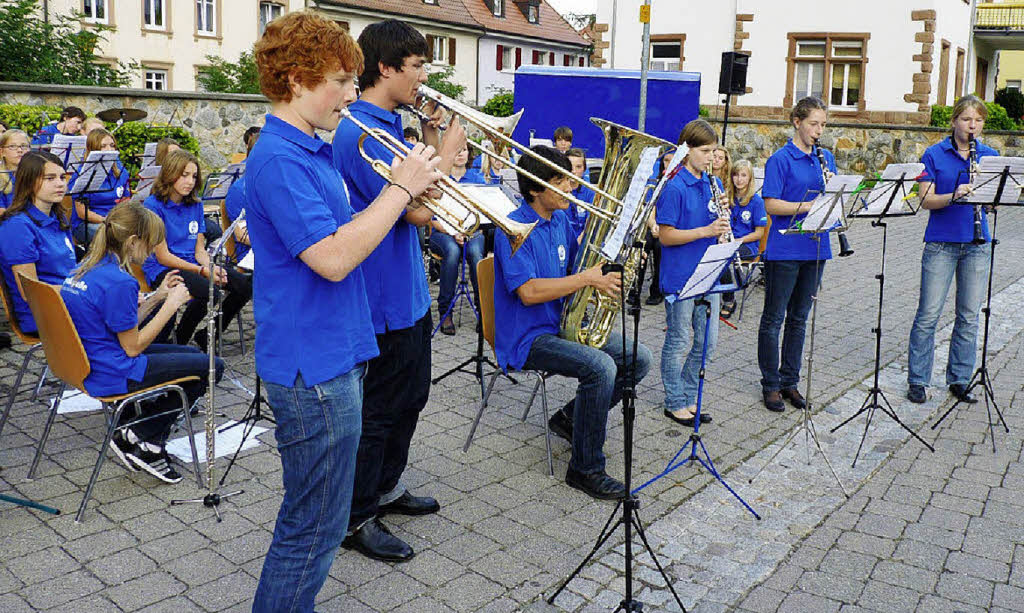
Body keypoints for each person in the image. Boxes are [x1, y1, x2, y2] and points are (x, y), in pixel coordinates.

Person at [245, 12, 442, 611]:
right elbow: (331, 258)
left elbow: (348, 229)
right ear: (296, 80)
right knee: (313, 528)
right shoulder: (281, 159)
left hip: (338, 349)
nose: (352, 94)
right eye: (339, 81)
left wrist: (408, 191)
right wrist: (400, 191)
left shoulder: (310, 147)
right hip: (313, 364)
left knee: (322, 521)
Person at [333, 18, 466, 563]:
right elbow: (416, 211)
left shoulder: (392, 122)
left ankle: (385, 486)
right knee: (381, 410)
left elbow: (424, 194)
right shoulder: (360, 132)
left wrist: (433, 140)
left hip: (408, 291)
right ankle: (355, 515)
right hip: (380, 298)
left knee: (411, 398)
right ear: (385, 68)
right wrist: (448, 150)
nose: (424, 77)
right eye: (416, 66)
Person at [494, 144, 650, 498]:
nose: (571, 186)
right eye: (561, 180)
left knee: (639, 358)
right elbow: (528, 292)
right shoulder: (513, 228)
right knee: (601, 367)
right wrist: (586, 279)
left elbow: (581, 267)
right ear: (535, 188)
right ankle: (585, 468)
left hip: (560, 325)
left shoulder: (560, 219)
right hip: (527, 338)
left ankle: (570, 419)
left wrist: (614, 265)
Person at [61, 202, 224, 482]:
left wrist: (158, 296)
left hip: (91, 359)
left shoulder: (86, 267)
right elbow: (132, 346)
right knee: (212, 367)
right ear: (133, 241)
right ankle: (145, 436)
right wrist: (170, 306)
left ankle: (137, 427)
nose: (151, 252)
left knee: (188, 355)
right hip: (113, 370)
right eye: (150, 244)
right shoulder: (120, 282)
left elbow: (120, 323)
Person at [907, 95, 996, 405]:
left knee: (969, 316)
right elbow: (925, 200)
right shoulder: (934, 154)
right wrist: (954, 194)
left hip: (977, 244)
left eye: (978, 120)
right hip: (941, 243)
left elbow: (993, 202)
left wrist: (991, 198)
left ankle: (959, 378)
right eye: (967, 119)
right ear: (954, 121)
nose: (973, 126)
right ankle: (918, 380)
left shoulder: (989, 156)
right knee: (928, 314)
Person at [757, 96, 836, 413]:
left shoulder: (825, 158)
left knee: (799, 319)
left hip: (816, 246)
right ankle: (770, 384)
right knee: (774, 318)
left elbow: (833, 198)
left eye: (823, 125)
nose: (819, 130)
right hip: (785, 248)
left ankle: (790, 380)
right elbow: (771, 204)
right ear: (797, 122)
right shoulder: (780, 159)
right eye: (814, 124)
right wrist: (808, 206)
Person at [141, 149, 252, 351]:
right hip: (163, 268)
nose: (190, 181)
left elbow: (199, 250)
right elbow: (163, 256)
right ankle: (180, 341)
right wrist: (202, 271)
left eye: (193, 176)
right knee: (210, 293)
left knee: (243, 286)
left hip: (192, 265)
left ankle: (208, 335)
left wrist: (211, 267)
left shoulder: (195, 205)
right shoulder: (153, 206)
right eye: (184, 175)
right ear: (170, 174)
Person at [657, 120, 730, 426]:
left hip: (708, 273)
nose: (711, 158)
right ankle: (674, 401)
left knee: (707, 343)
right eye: (705, 151)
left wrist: (723, 231)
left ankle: (689, 396)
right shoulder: (674, 186)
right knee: (678, 340)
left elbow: (717, 227)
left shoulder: (713, 184)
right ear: (687, 150)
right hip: (680, 276)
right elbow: (665, 236)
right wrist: (706, 231)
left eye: (714, 151)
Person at [0, 152, 77, 335]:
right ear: (29, 182)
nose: (60, 184)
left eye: (62, 177)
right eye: (50, 178)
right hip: (43, 314)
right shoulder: (18, 226)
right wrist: (89, 292)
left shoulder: (58, 216)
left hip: (71, 300)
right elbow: (32, 292)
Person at [429, 143, 486, 335]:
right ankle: (445, 311)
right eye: (457, 150)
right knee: (452, 252)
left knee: (476, 254)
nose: (460, 154)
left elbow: (484, 214)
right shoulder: (439, 179)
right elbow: (432, 219)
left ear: (469, 154)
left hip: (472, 231)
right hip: (443, 232)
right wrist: (453, 233)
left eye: (464, 150)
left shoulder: (477, 179)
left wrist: (467, 232)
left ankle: (483, 311)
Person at [719, 159, 767, 317]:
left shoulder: (756, 202)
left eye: (743, 175)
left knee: (724, 257)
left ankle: (729, 299)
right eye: (736, 175)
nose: (739, 179)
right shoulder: (727, 198)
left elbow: (759, 233)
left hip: (747, 245)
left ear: (750, 178)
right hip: (726, 241)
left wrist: (737, 241)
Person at [71, 128, 131, 245]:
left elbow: (126, 201)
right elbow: (82, 212)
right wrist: (107, 221)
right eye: (103, 146)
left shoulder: (121, 171)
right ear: (93, 149)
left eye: (112, 145)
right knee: (114, 236)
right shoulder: (83, 173)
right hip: (87, 224)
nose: (109, 150)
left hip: (115, 220)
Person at [643, 151, 673, 306]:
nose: (669, 164)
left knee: (660, 246)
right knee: (642, 243)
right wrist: (654, 225)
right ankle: (634, 289)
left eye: (672, 160)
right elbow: (650, 208)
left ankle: (657, 290)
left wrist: (662, 230)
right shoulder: (657, 184)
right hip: (655, 225)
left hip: (671, 229)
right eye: (666, 160)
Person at [565, 147, 594, 239]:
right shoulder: (557, 190)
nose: (573, 171)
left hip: (582, 240)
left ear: (584, 169)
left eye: (578, 167)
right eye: (570, 166)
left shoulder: (590, 192)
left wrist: (580, 242)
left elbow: (590, 223)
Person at [0, 129, 30, 213]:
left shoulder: (37, 175)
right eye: (12, 146)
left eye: (24, 146)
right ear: (2, 152)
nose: (20, 150)